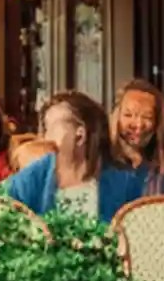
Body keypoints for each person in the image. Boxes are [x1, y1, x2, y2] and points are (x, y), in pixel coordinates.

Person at [8, 90, 144, 223]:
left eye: (51, 128)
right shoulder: (29, 181)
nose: (44, 137)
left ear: (80, 135)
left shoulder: (125, 184)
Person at [109, 79, 164, 195]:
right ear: (116, 116)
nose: (138, 125)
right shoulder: (99, 162)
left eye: (147, 117)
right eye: (128, 115)